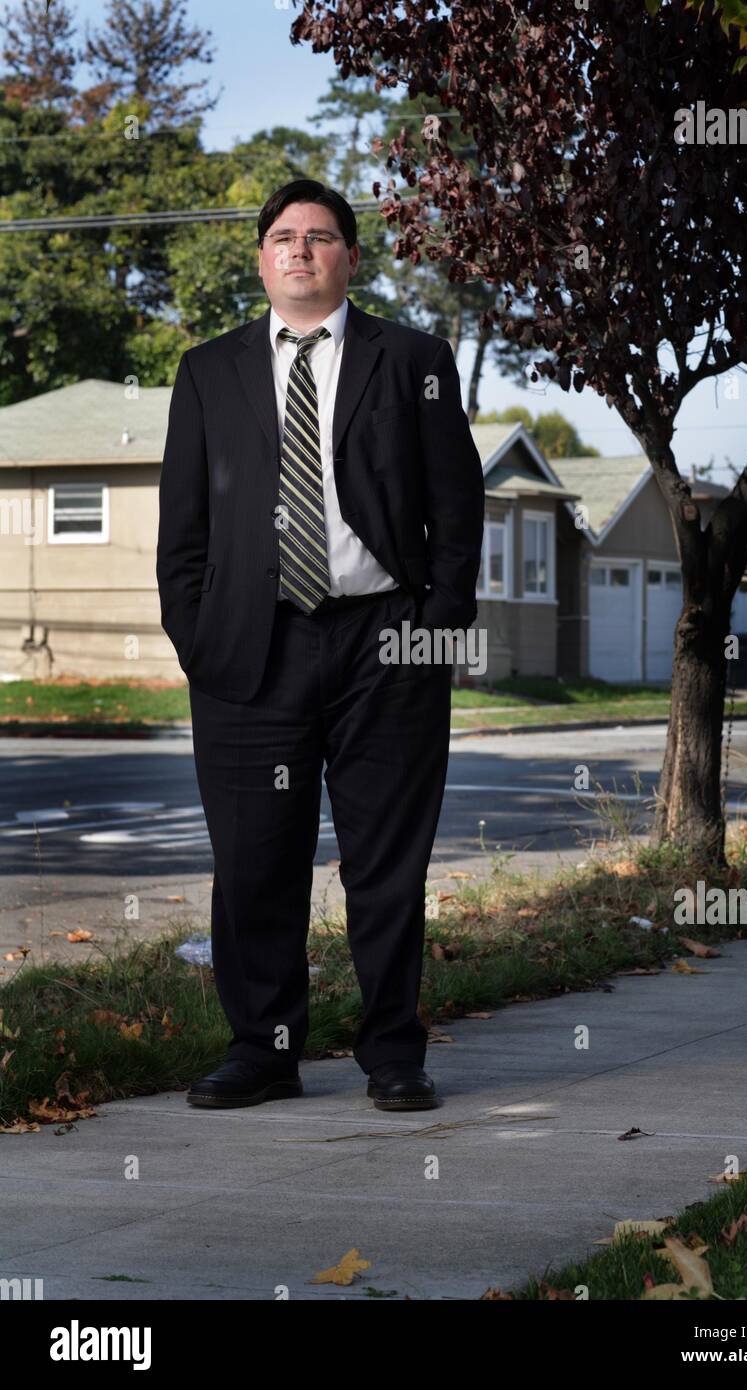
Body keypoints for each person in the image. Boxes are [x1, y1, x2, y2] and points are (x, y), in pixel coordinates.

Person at [156, 178, 484, 1112]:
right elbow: (184, 533)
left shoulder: (412, 358)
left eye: (322, 237)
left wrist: (438, 626)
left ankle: (393, 1053)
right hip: (250, 654)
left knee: (386, 860)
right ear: (262, 258)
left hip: (386, 645)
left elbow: (457, 508)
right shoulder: (207, 371)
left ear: (349, 257)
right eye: (285, 237)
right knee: (255, 860)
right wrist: (200, 638)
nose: (301, 250)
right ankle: (263, 1051)